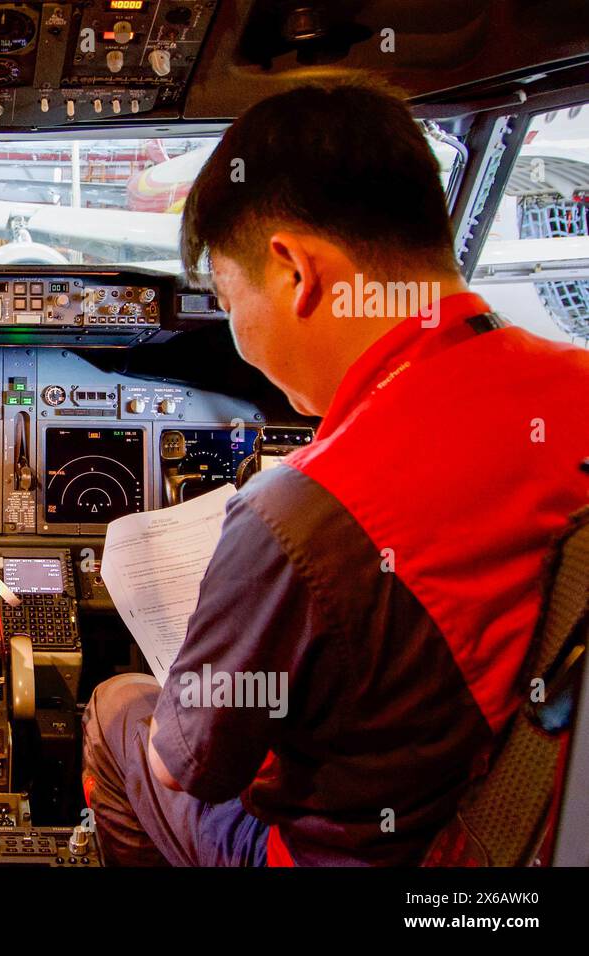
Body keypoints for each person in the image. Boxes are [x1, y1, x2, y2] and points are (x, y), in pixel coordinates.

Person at [81, 80, 589, 866]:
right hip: (512, 837)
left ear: (292, 270)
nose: (237, 332)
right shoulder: (575, 382)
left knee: (120, 709)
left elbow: (186, 767)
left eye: (226, 295)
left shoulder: (303, 514)